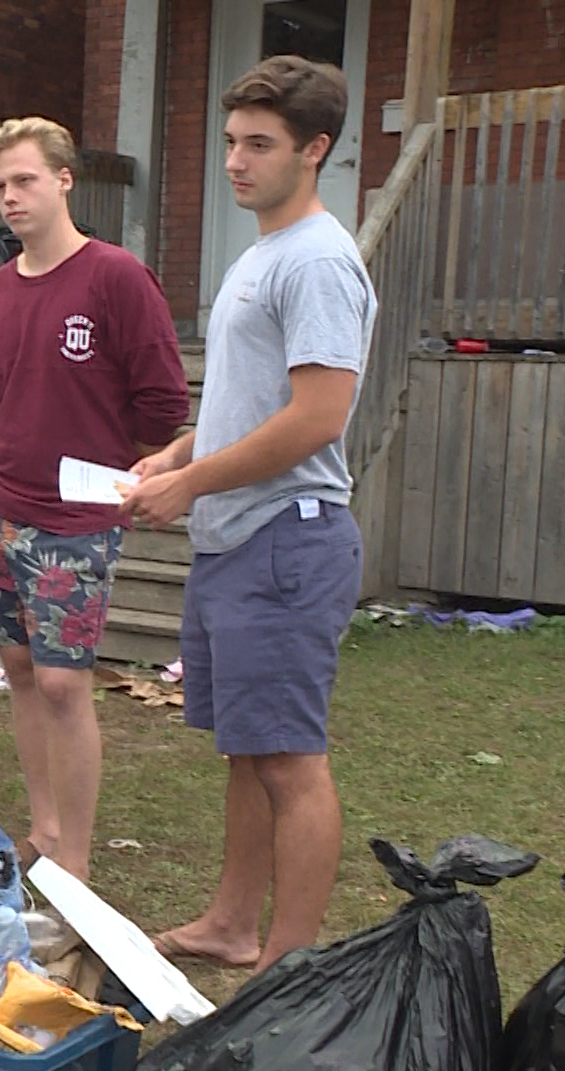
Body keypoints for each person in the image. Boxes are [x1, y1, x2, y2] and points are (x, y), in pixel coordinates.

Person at [122, 56, 374, 973]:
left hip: (288, 536)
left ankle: (291, 962)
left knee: (290, 760)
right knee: (247, 749)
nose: (236, 161)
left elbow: (318, 416)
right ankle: (233, 924)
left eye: (259, 144)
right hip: (237, 538)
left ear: (315, 149)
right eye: (230, 141)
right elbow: (256, 396)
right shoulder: (264, 251)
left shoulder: (316, 261)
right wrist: (180, 453)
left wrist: (192, 486)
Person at [0, 117, 190, 881]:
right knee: (22, 669)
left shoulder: (115, 277)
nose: (11, 197)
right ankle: (47, 830)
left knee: (66, 681)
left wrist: (105, 456)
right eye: (0, 185)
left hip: (77, 516)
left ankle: (80, 866)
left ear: (66, 180)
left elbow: (163, 405)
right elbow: (9, 394)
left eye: (25, 180)